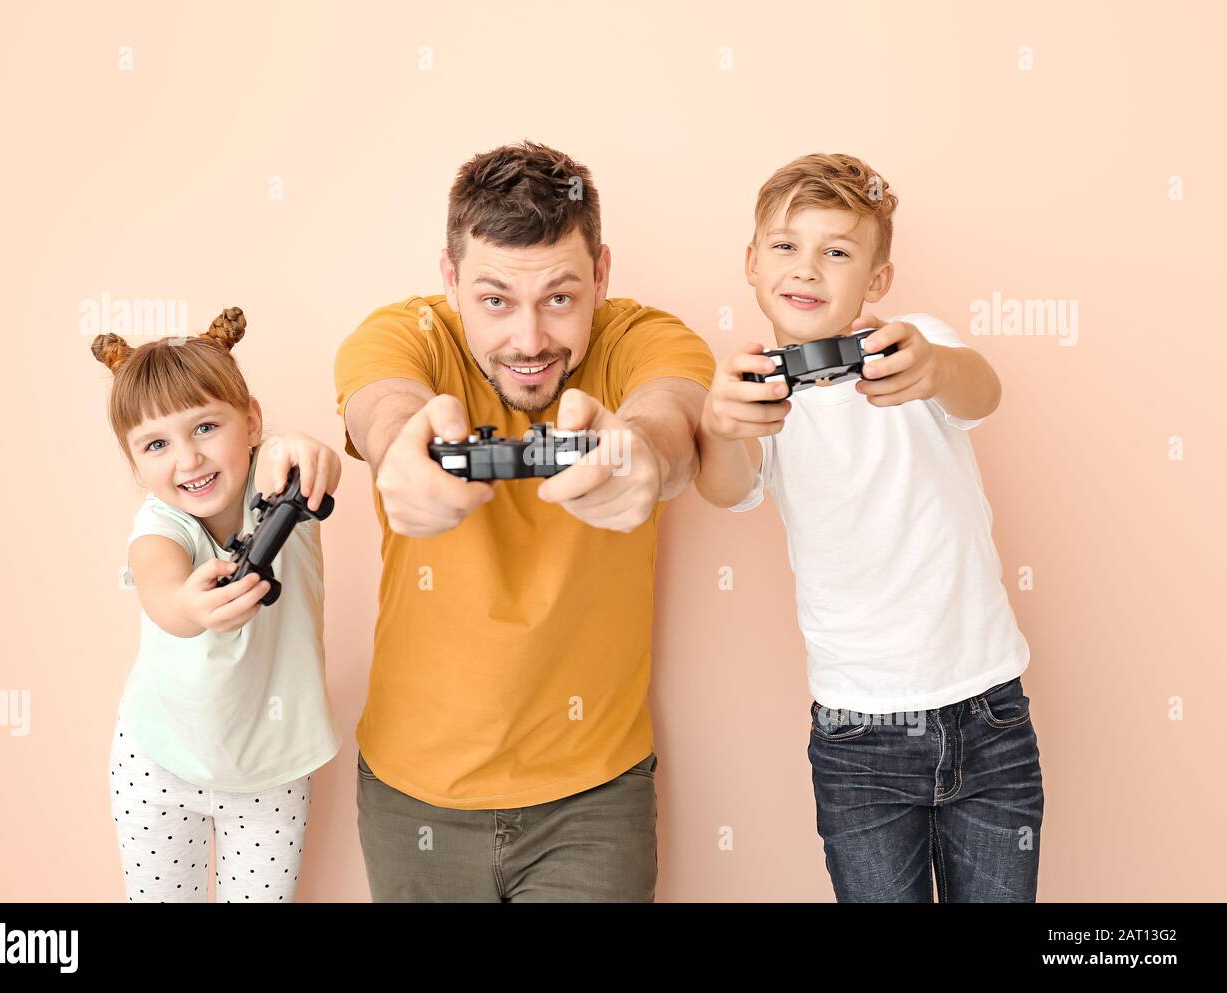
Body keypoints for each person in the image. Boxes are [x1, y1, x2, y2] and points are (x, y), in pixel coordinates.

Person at [333, 140, 715, 901]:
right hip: (415, 795)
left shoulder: (647, 338)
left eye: (562, 298)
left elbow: (671, 413)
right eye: (496, 299)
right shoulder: (404, 333)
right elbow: (382, 403)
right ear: (450, 281)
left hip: (594, 798)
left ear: (602, 273)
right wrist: (398, 451)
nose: (531, 340)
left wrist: (640, 455)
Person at [694, 153, 1044, 902]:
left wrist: (937, 369)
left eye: (838, 251)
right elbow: (726, 490)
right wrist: (718, 423)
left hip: (989, 708)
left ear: (875, 282)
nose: (808, 268)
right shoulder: (754, 391)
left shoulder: (912, 342)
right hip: (859, 736)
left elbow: (983, 393)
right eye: (786, 246)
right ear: (752, 264)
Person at [92, 307, 343, 902]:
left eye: (206, 427)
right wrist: (191, 605)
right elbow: (162, 592)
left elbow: (309, 456)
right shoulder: (160, 524)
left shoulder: (283, 490)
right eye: (156, 444)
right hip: (159, 763)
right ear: (135, 463)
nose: (188, 459)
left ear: (251, 421)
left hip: (271, 774)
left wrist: (307, 452)